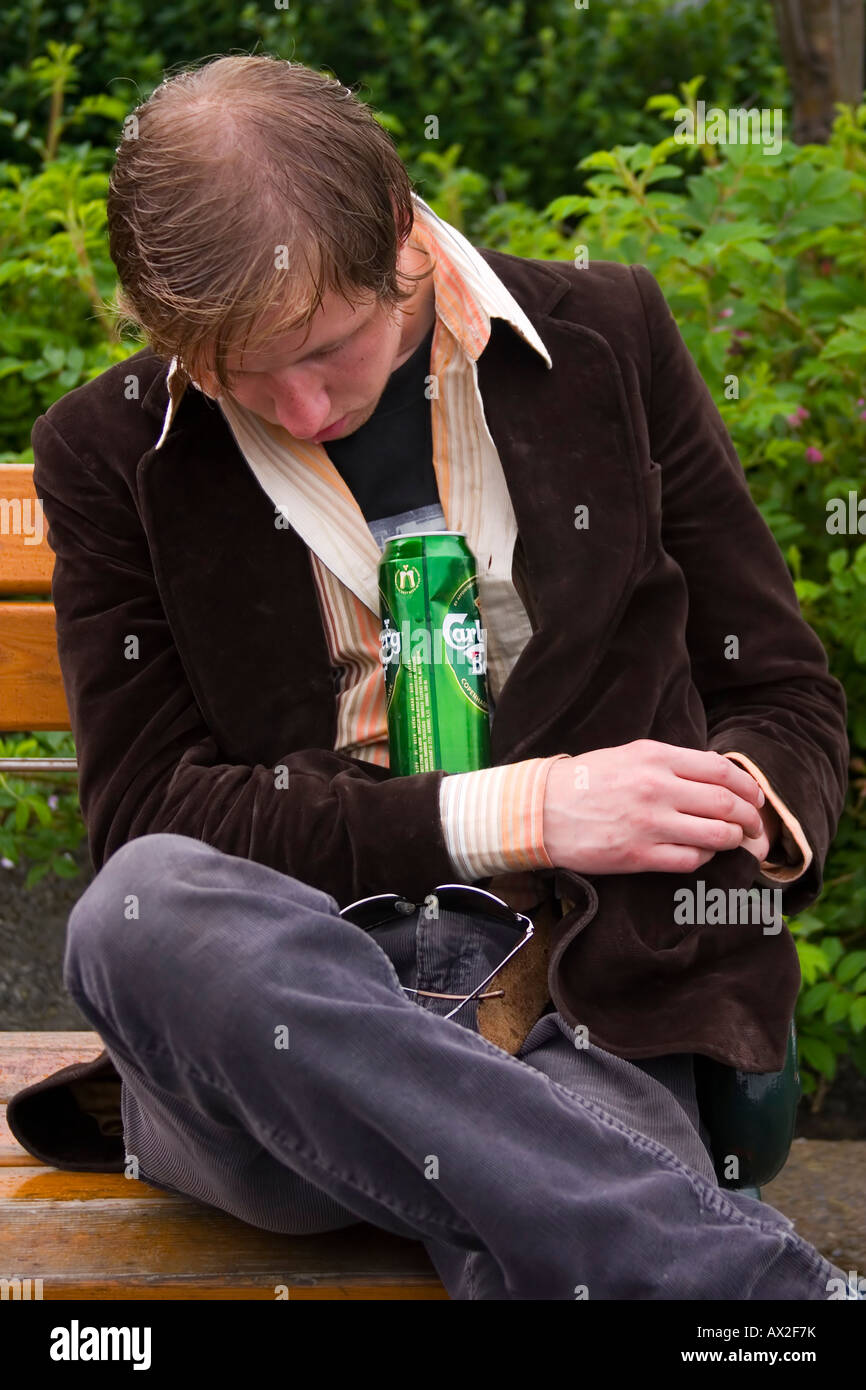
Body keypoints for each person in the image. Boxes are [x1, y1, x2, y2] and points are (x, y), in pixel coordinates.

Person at [8, 54, 853, 1300]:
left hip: (583, 1009)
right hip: (288, 1038)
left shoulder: (607, 335)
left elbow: (781, 693)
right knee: (141, 905)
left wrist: (723, 801)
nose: (297, 409)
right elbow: (146, 818)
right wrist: (527, 806)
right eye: (237, 375)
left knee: (555, 1210)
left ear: (399, 233)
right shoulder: (110, 448)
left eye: (327, 349)